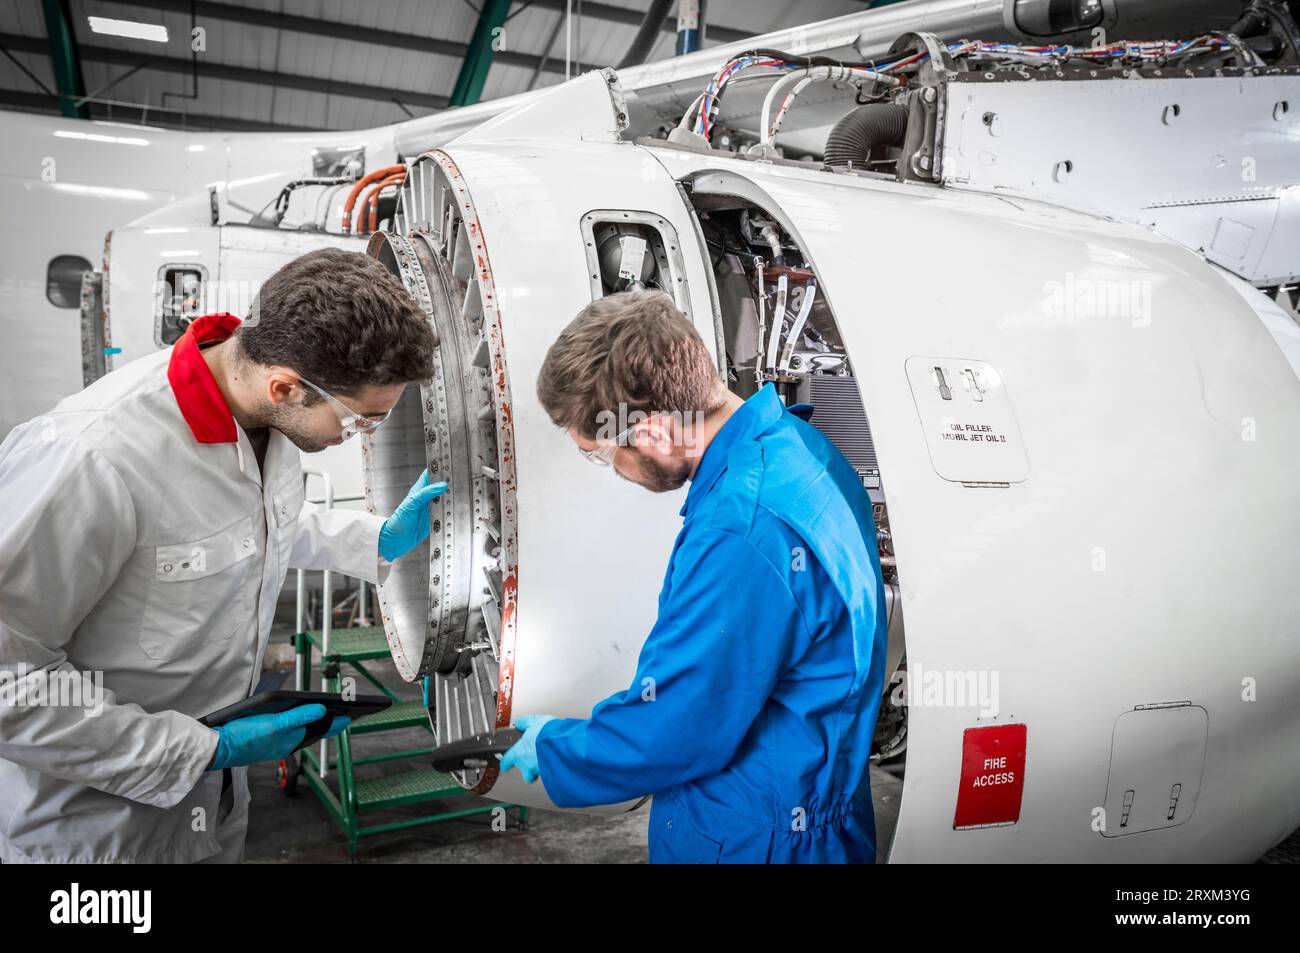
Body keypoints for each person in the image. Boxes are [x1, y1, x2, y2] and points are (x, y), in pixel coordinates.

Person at [0, 248, 448, 863]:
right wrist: (204, 750)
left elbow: (234, 530)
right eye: (358, 422)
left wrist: (374, 538)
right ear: (285, 386)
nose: (357, 437)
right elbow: (10, 681)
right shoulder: (91, 458)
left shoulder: (262, 413)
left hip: (215, 807)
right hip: (96, 830)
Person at [499, 289, 888, 863]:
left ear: (657, 434)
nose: (613, 469)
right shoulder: (799, 445)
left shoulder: (741, 530)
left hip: (756, 837)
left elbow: (676, 727)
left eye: (603, 453)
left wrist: (555, 749)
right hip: (813, 807)